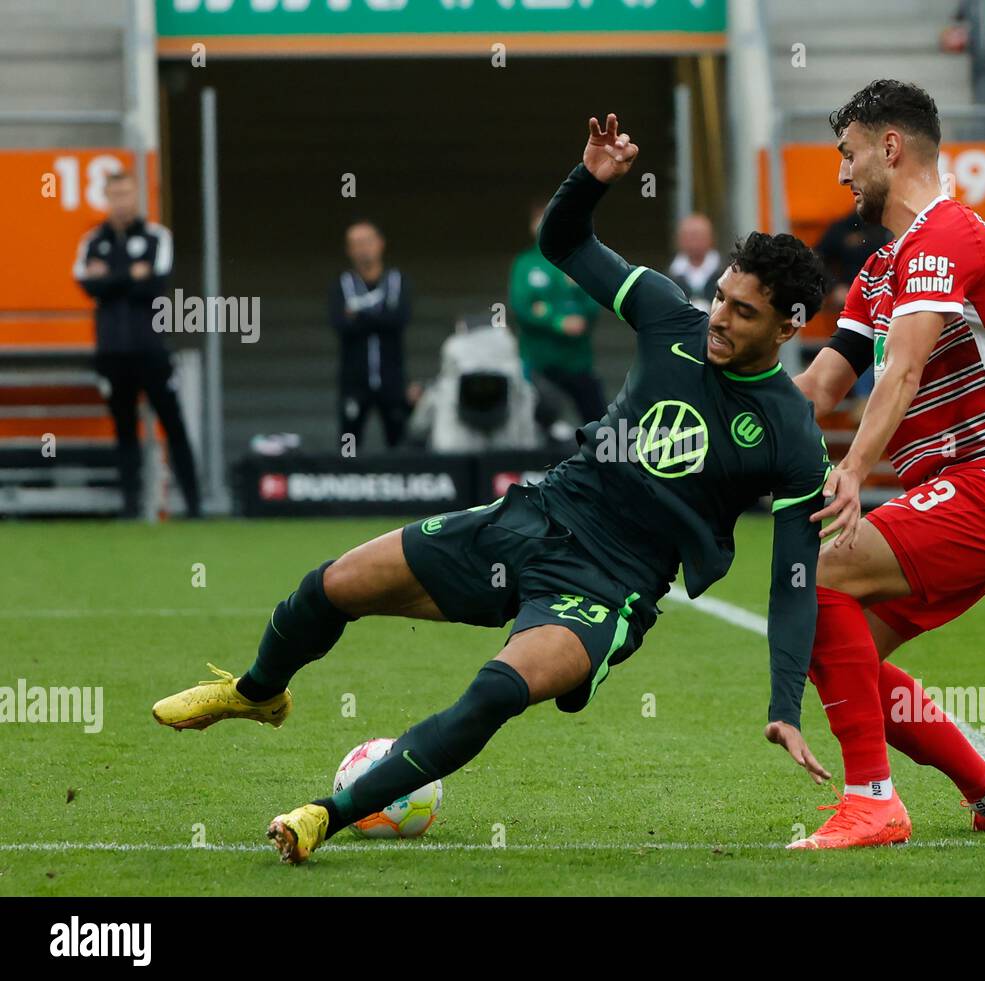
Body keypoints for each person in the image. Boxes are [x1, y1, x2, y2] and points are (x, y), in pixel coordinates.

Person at [151, 114, 835, 864]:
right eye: (724, 299)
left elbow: (795, 578)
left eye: (744, 313)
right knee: (334, 584)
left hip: (612, 588)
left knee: (494, 693)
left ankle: (325, 814)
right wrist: (591, 179)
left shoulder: (791, 433)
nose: (721, 319)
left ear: (786, 329)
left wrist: (783, 705)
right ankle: (257, 692)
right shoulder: (669, 314)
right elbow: (564, 242)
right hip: (541, 514)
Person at [788, 80, 985, 848]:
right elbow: (819, 385)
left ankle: (874, 802)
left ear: (890, 146)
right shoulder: (884, 268)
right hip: (968, 487)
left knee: (820, 579)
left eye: (848, 154)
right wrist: (716, 403)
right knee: (832, 642)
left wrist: (848, 471)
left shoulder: (948, 240)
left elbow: (905, 370)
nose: (842, 173)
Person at [73, 170, 201, 519]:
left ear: (137, 197)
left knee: (173, 424)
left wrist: (111, 278)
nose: (121, 202)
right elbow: (87, 285)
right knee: (124, 429)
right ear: (106, 198)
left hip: (151, 350)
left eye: (127, 194)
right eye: (115, 195)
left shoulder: (157, 237)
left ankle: (194, 505)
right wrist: (131, 274)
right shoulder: (92, 240)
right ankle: (130, 508)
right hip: (112, 353)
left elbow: (154, 284)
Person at [509, 200, 607, 424]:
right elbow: (522, 307)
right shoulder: (525, 263)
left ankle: (605, 457)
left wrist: (561, 312)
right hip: (538, 363)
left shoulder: (579, 259)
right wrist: (557, 321)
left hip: (578, 361)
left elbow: (593, 301)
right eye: (542, 220)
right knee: (538, 424)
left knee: (599, 423)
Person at [328, 221, 412, 452]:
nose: (363, 249)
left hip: (392, 380)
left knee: (399, 444)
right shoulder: (341, 285)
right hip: (354, 382)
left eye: (367, 242)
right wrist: (381, 314)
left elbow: (400, 319)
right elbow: (340, 324)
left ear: (380, 244)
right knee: (349, 445)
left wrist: (359, 314)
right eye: (356, 244)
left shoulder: (397, 281)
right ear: (348, 250)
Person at [667, 213, 725, 312]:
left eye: (698, 235)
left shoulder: (727, 272)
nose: (694, 241)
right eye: (689, 236)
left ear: (711, 237)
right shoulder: (668, 278)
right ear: (679, 239)